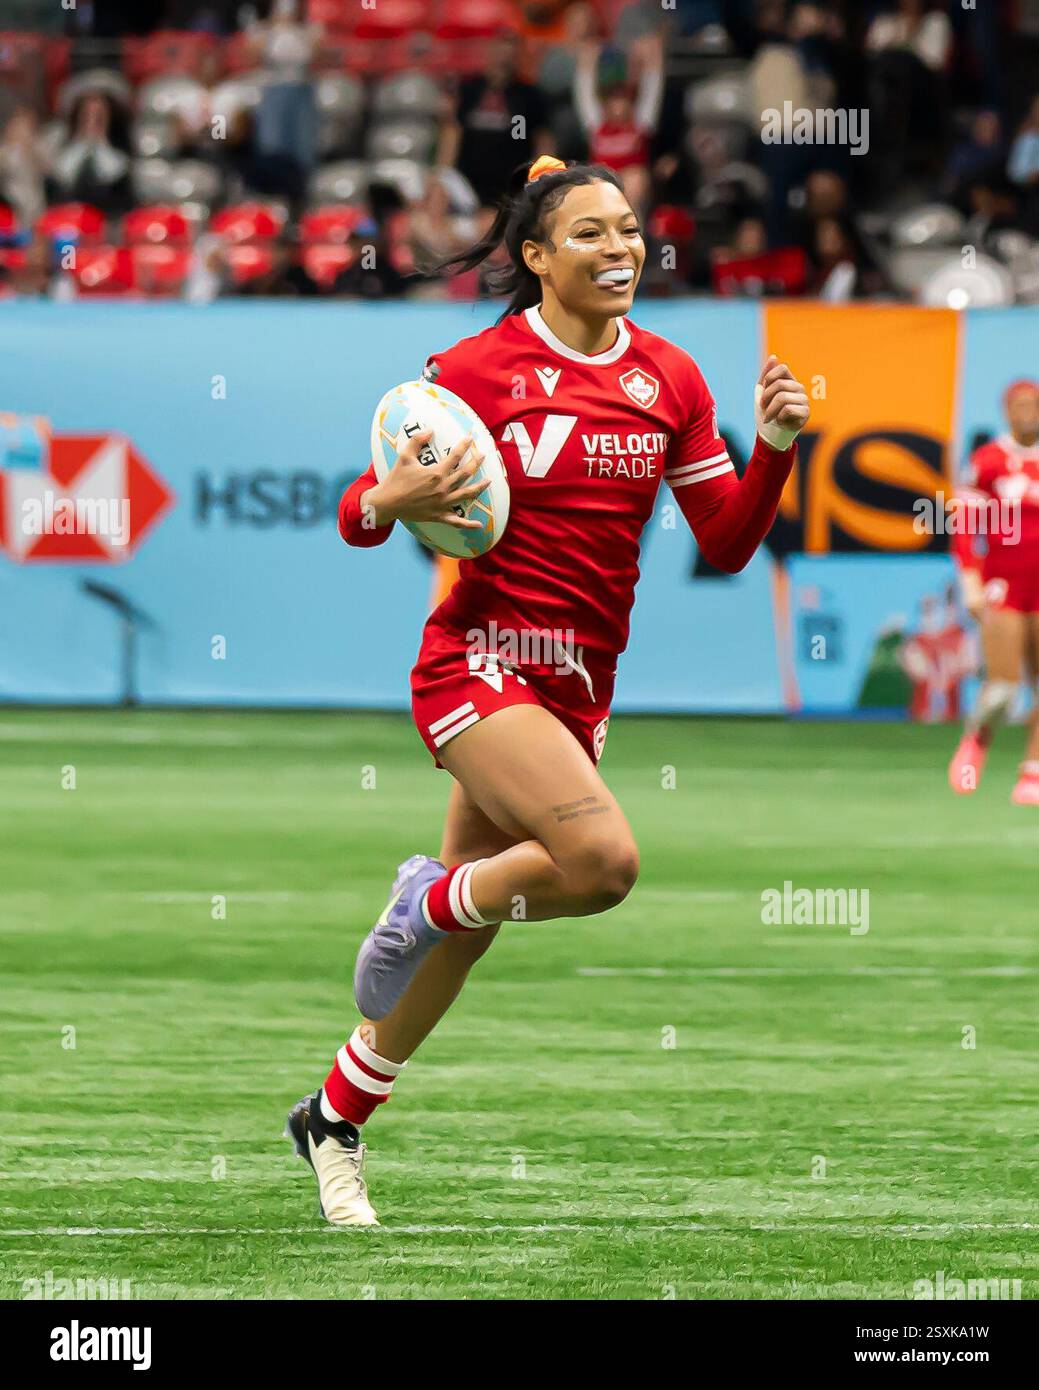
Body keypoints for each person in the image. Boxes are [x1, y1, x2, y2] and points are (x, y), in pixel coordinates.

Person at [286, 155, 810, 1227]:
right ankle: (422, 895)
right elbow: (356, 514)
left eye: (627, 230)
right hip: (473, 665)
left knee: (470, 932)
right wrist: (386, 495)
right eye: (589, 234)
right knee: (602, 863)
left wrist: (777, 451)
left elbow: (727, 541)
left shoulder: (668, 377)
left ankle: (332, 1117)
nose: (619, 248)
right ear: (535, 258)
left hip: (577, 686)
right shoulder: (472, 370)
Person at [949, 380, 1039, 806]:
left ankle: (1032, 771)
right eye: (1019, 405)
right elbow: (964, 525)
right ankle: (977, 737)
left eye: (1033, 405)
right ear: (1007, 411)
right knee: (1004, 689)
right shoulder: (988, 461)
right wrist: (970, 581)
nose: (1027, 412)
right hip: (1004, 582)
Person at [436, 28, 553, 207]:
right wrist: (442, 174)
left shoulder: (527, 96)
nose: (503, 58)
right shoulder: (470, 91)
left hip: (511, 188)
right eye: (500, 50)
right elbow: (453, 133)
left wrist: (540, 180)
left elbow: (539, 141)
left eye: (510, 53)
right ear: (490, 51)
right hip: (466, 188)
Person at [572, 33, 664, 219]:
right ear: (605, 104)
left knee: (636, 178)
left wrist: (654, 57)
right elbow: (584, 94)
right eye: (613, 101)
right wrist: (588, 62)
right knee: (598, 178)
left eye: (623, 100)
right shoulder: (596, 125)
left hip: (632, 192)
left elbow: (653, 90)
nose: (618, 106)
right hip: (601, 188)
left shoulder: (641, 123)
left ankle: (633, 231)